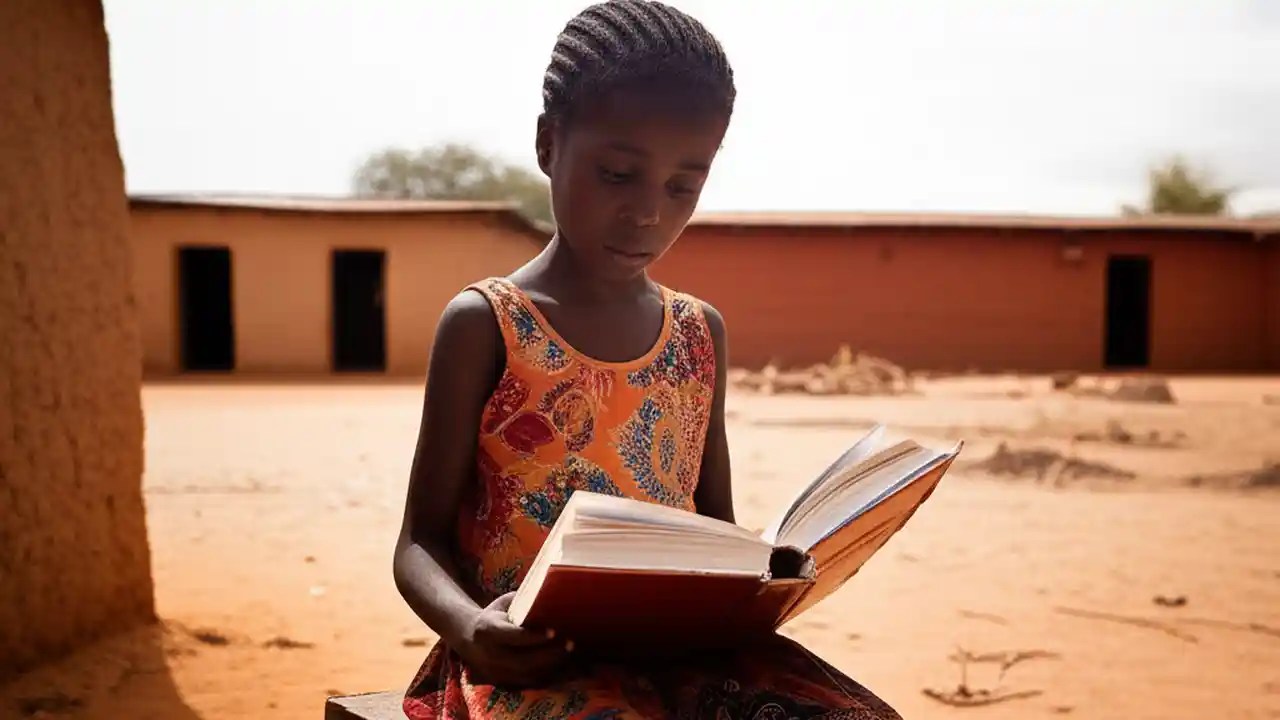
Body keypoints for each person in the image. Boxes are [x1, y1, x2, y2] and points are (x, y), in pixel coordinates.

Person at [392, 2, 902, 717]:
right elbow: (418, 541)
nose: (647, 214)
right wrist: (471, 627)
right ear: (548, 145)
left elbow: (716, 527)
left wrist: (773, 575)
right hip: (526, 660)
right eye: (616, 174)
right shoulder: (488, 325)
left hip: (678, 656)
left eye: (682, 187)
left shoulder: (698, 335)